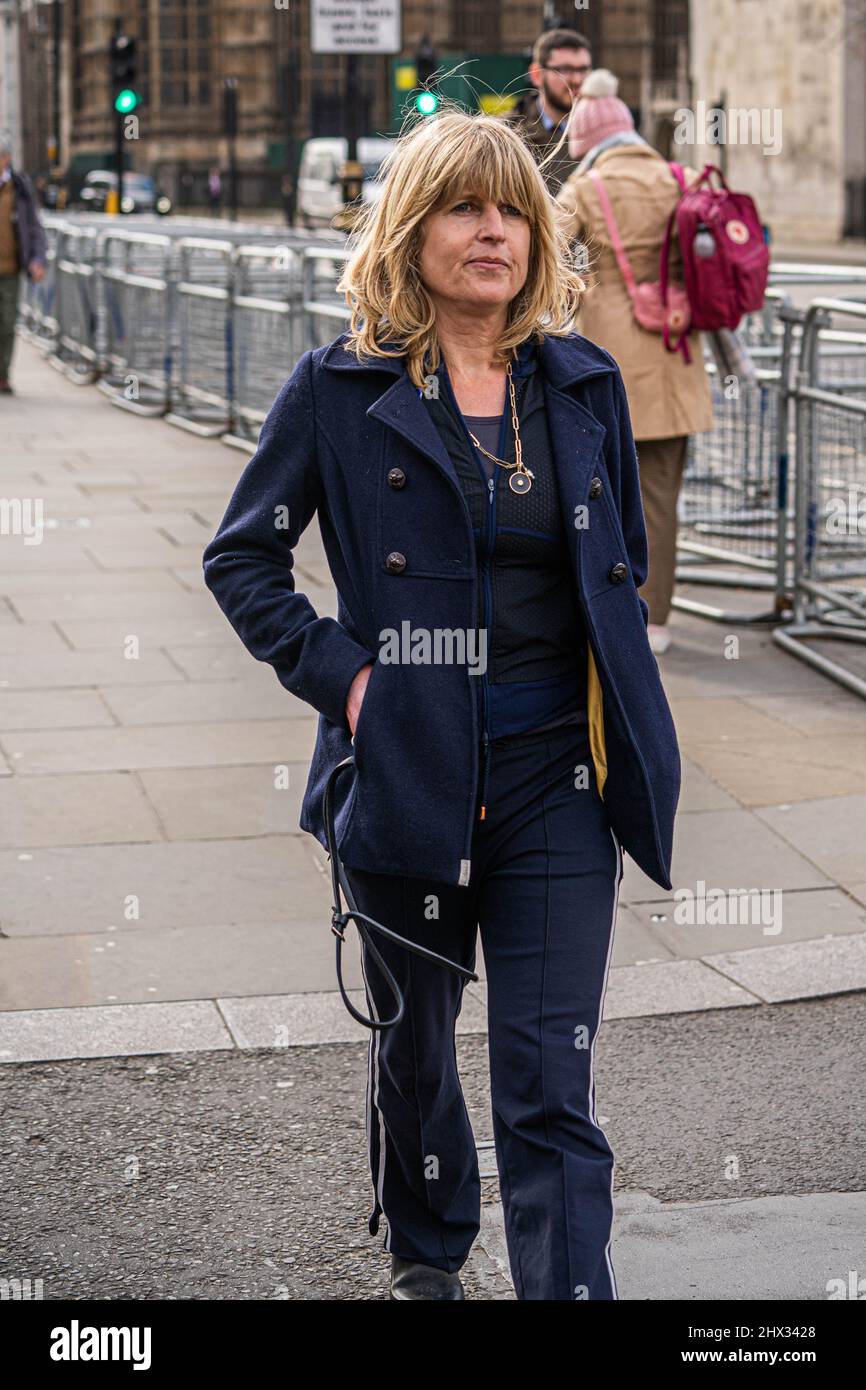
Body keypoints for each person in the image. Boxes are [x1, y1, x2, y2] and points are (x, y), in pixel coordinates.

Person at [202, 107, 681, 1301]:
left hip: (553, 779)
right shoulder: (336, 389)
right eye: (466, 208)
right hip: (407, 767)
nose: (495, 232)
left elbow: (613, 567)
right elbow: (241, 559)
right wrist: (348, 682)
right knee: (416, 1052)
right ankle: (427, 1254)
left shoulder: (581, 385)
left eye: (514, 209)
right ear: (411, 232)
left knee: (544, 1076)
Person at [556, 71, 714, 653]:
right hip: (677, 359)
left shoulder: (587, 190)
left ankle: (609, 607)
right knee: (660, 498)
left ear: (590, 142)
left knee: (594, 495)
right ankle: (657, 621)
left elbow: (541, 253)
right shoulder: (683, 178)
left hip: (608, 369)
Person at [503, 26, 593, 195]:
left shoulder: (604, 136)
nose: (576, 80)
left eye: (583, 70)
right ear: (537, 75)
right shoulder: (506, 137)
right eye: (565, 70)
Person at [0, 132, 47, 394]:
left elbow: (33, 228)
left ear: (6, 158)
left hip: (9, 268)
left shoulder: (19, 187)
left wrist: (37, 259)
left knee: (7, 324)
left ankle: (2, 375)